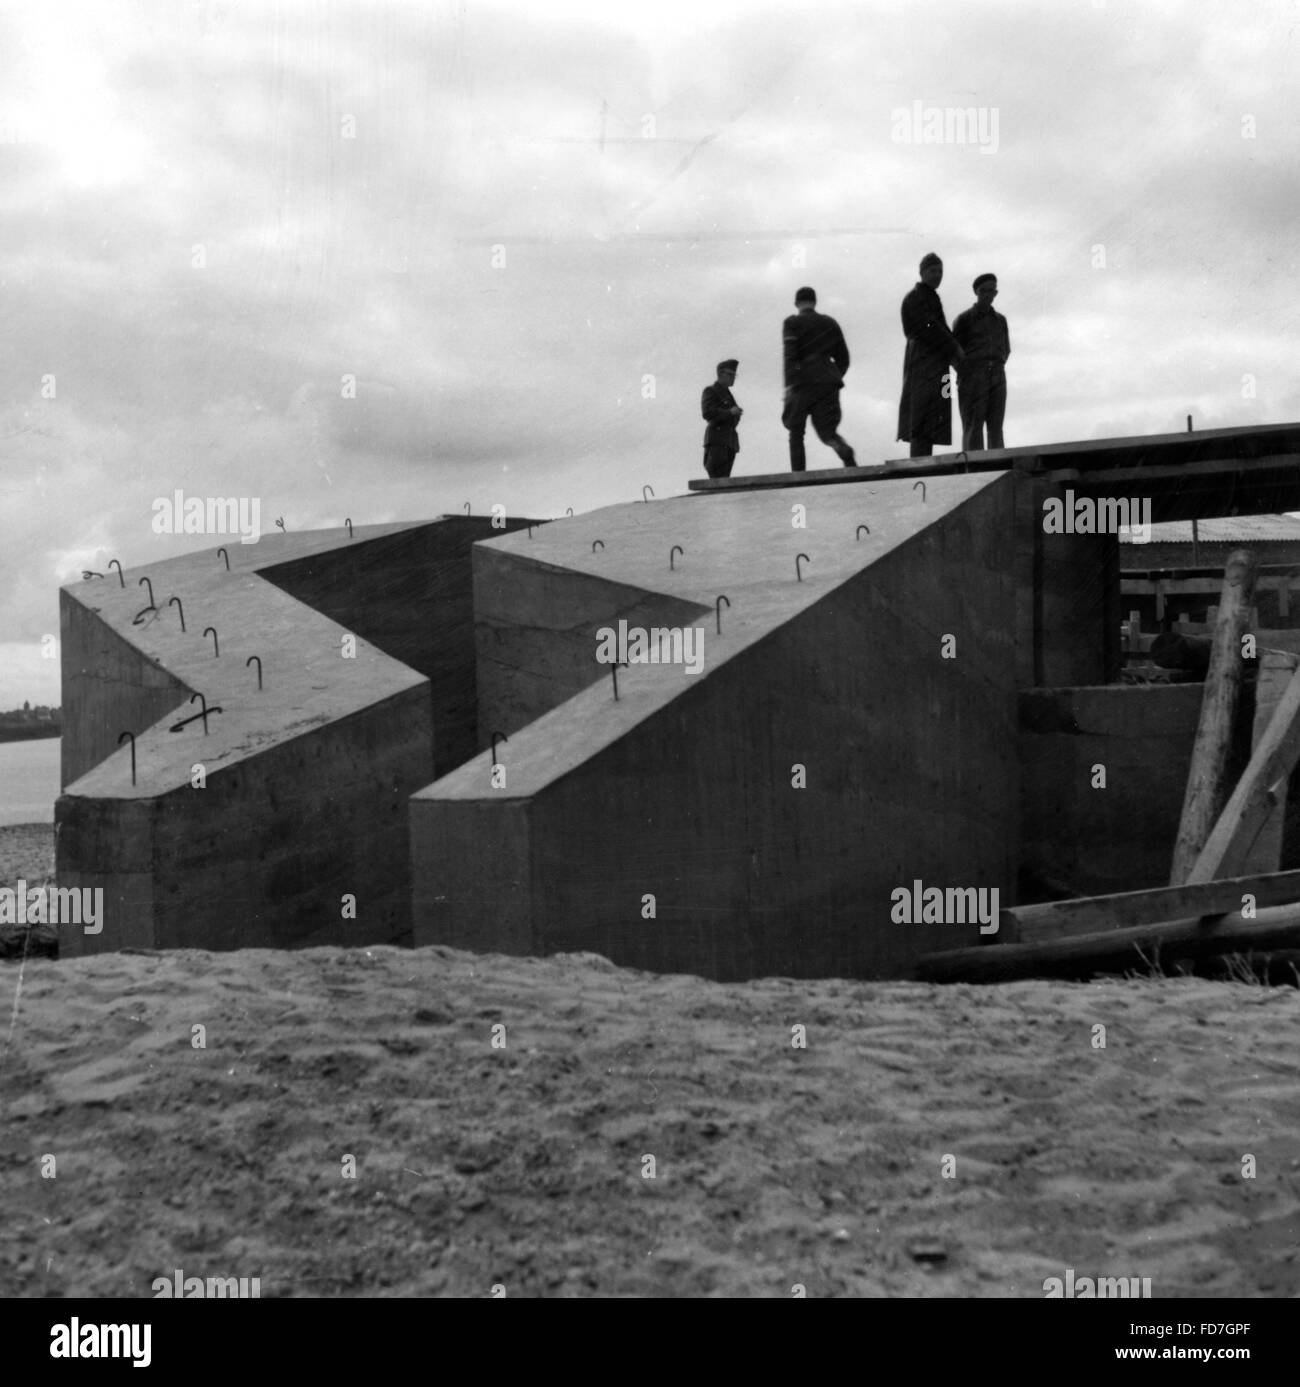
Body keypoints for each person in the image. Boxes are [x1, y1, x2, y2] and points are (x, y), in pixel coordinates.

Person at [897, 252, 965, 458]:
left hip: (938, 365)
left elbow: (940, 328)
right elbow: (931, 328)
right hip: (922, 363)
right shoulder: (915, 297)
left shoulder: (932, 298)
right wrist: (955, 348)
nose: (938, 275)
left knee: (936, 415)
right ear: (922, 272)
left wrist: (955, 355)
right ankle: (919, 465)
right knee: (921, 416)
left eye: (940, 271)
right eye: (933, 271)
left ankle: (924, 462)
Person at [782, 287, 856, 470]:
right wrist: (831, 375)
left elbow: (791, 357)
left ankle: (798, 476)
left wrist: (791, 383)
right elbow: (844, 358)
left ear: (796, 303)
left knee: (796, 431)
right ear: (814, 302)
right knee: (827, 432)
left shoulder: (792, 323)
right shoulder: (830, 323)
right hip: (828, 381)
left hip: (802, 382)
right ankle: (843, 449)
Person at [952, 273, 1010, 451]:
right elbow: (954, 353)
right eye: (983, 290)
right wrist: (968, 373)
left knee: (996, 427)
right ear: (976, 292)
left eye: (991, 291)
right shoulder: (964, 319)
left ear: (996, 293)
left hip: (997, 375)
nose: (987, 294)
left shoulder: (1000, 320)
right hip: (973, 377)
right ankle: (974, 471)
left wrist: (995, 366)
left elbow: (1006, 349)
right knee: (973, 426)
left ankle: (997, 467)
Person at [701, 359, 742, 478]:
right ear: (720, 374)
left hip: (729, 443)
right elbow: (707, 413)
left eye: (734, 375)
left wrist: (736, 415)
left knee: (724, 480)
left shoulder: (728, 394)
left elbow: (731, 420)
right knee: (717, 481)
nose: (733, 378)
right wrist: (730, 412)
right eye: (730, 375)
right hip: (717, 442)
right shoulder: (711, 391)